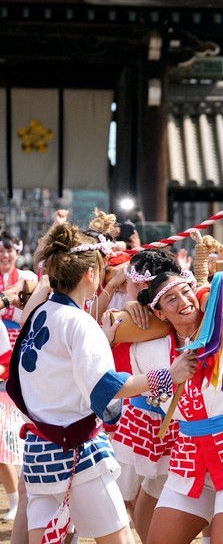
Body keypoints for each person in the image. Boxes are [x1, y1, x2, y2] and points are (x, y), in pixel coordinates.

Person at [8, 223, 197, 543]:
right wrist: (168, 375)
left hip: (40, 450)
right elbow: (105, 386)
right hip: (78, 450)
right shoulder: (80, 323)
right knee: (119, 539)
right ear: (91, 275)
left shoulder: (39, 313)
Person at [129, 265, 223, 544]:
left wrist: (218, 292)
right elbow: (109, 344)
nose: (183, 301)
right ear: (159, 313)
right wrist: (127, 309)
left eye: (186, 292)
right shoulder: (147, 349)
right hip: (190, 457)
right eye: (171, 298)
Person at [107, 249, 183, 541]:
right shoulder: (128, 314)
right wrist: (118, 294)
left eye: (129, 280)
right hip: (137, 414)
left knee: (179, 501)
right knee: (131, 500)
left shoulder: (167, 313)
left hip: (174, 417)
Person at [0, 231, 37, 523]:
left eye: (9, 250)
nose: (4, 255)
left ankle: (22, 492)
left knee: (19, 431)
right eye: (0, 251)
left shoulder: (26, 277)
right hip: (2, 361)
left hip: (24, 358)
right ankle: (16, 497)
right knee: (6, 438)